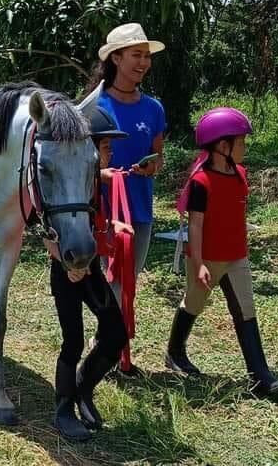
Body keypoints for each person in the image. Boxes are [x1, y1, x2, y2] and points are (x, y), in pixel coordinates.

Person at [165, 107, 278, 397]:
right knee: (193, 304)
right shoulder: (201, 182)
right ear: (223, 146)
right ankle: (175, 352)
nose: (244, 147)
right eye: (241, 142)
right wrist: (198, 263)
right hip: (207, 258)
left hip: (236, 256)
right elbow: (196, 226)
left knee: (245, 310)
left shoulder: (240, 175)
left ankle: (260, 375)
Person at [47, 107, 130, 441]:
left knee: (115, 334)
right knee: (74, 339)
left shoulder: (93, 182)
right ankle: (63, 409)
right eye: (106, 147)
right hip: (66, 269)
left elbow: (91, 223)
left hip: (90, 266)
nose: (110, 153)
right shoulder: (66, 185)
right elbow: (44, 229)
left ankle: (83, 387)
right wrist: (68, 265)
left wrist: (113, 226)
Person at [88, 23, 166, 374]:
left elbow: (157, 154)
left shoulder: (154, 108)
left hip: (139, 207)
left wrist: (152, 167)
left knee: (127, 279)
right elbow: (78, 160)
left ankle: (108, 342)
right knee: (109, 280)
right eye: (136, 55)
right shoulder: (93, 107)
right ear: (116, 58)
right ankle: (108, 346)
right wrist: (101, 175)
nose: (143, 62)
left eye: (146, 56)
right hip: (100, 209)